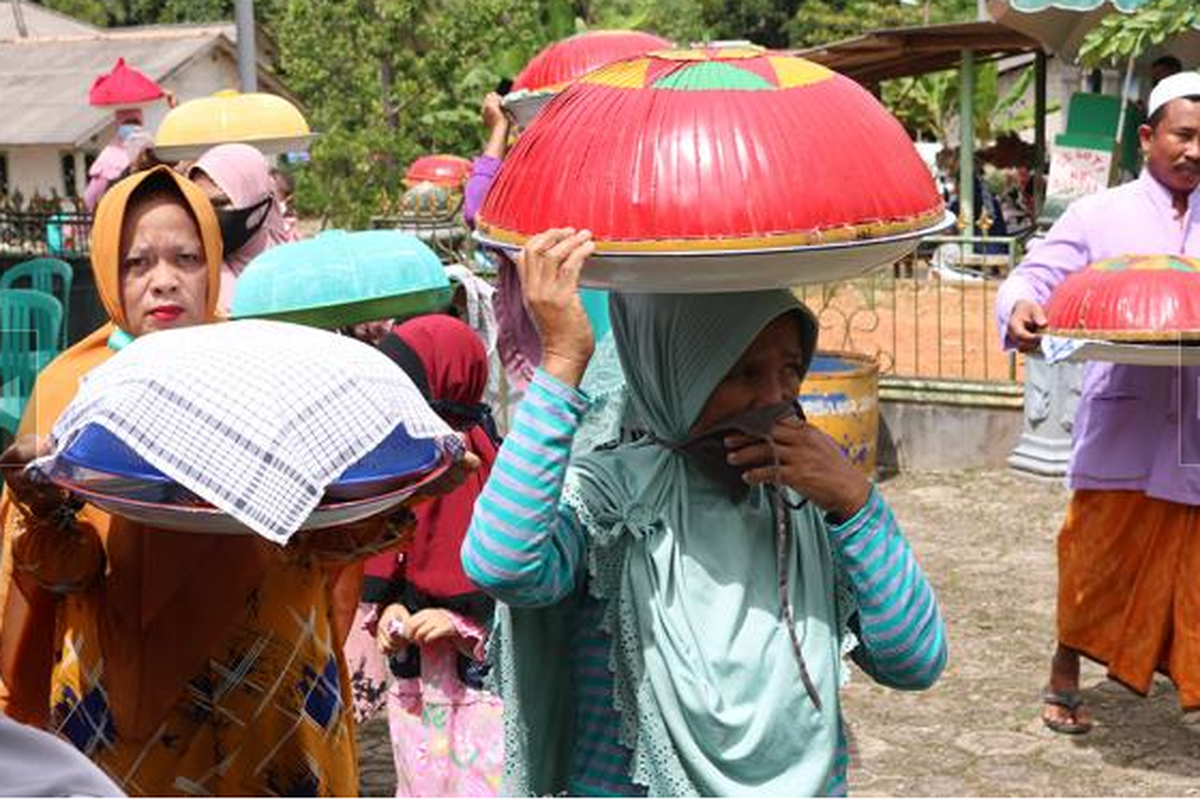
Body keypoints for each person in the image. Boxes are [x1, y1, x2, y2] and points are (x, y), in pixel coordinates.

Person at [461, 228, 947, 796]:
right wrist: (564, 360)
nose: (775, 396)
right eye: (742, 373)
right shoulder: (611, 499)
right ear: (674, 371)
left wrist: (856, 505)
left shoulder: (807, 496)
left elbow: (914, 662)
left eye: (791, 368)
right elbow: (503, 564)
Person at [0, 166, 423, 795]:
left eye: (187, 258)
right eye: (137, 262)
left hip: (274, 702)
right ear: (109, 274)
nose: (163, 280)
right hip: (125, 720)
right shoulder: (70, 392)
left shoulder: (272, 367)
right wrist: (43, 506)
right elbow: (57, 572)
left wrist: (401, 490)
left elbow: (322, 538)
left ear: (215, 263)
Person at [997, 70, 1200, 735]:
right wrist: (1021, 305)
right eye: (1184, 134)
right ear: (1148, 137)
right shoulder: (1098, 214)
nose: (1195, 150)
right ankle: (1065, 672)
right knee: (1092, 561)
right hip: (1123, 426)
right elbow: (1034, 274)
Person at [343, 315, 504, 796]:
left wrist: (460, 625)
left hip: (478, 696)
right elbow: (393, 561)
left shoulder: (484, 475)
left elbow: (515, 604)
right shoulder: (409, 472)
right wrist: (392, 613)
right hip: (416, 694)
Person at [188, 143, 296, 314]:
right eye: (199, 204)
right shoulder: (190, 278)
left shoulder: (300, 271)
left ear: (259, 203)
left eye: (220, 204)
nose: (208, 215)